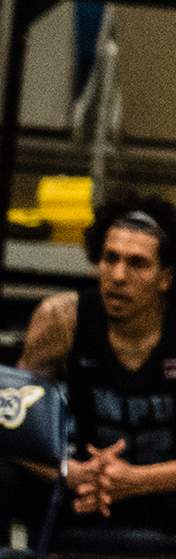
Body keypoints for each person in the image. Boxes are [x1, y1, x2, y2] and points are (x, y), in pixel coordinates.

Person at [12, 193, 176, 527]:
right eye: (109, 258)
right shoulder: (61, 319)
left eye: (137, 263)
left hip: (166, 490)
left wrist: (140, 480)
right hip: (84, 485)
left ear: (166, 278)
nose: (118, 275)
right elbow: (14, 427)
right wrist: (67, 472)